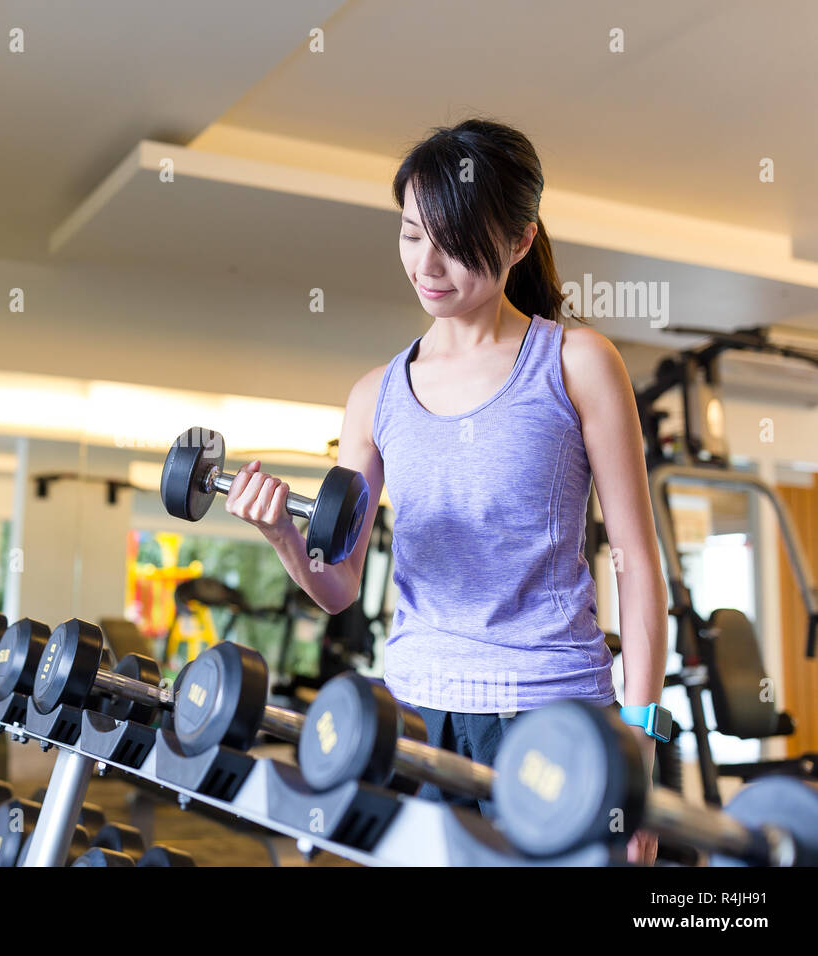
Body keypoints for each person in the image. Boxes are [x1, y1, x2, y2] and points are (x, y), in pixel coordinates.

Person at [224, 119, 668, 864]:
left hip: (548, 705)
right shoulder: (374, 397)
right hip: (414, 711)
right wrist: (282, 538)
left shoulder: (577, 363)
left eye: (455, 244)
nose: (426, 265)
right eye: (409, 234)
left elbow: (636, 560)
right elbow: (339, 588)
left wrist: (640, 740)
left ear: (521, 241)